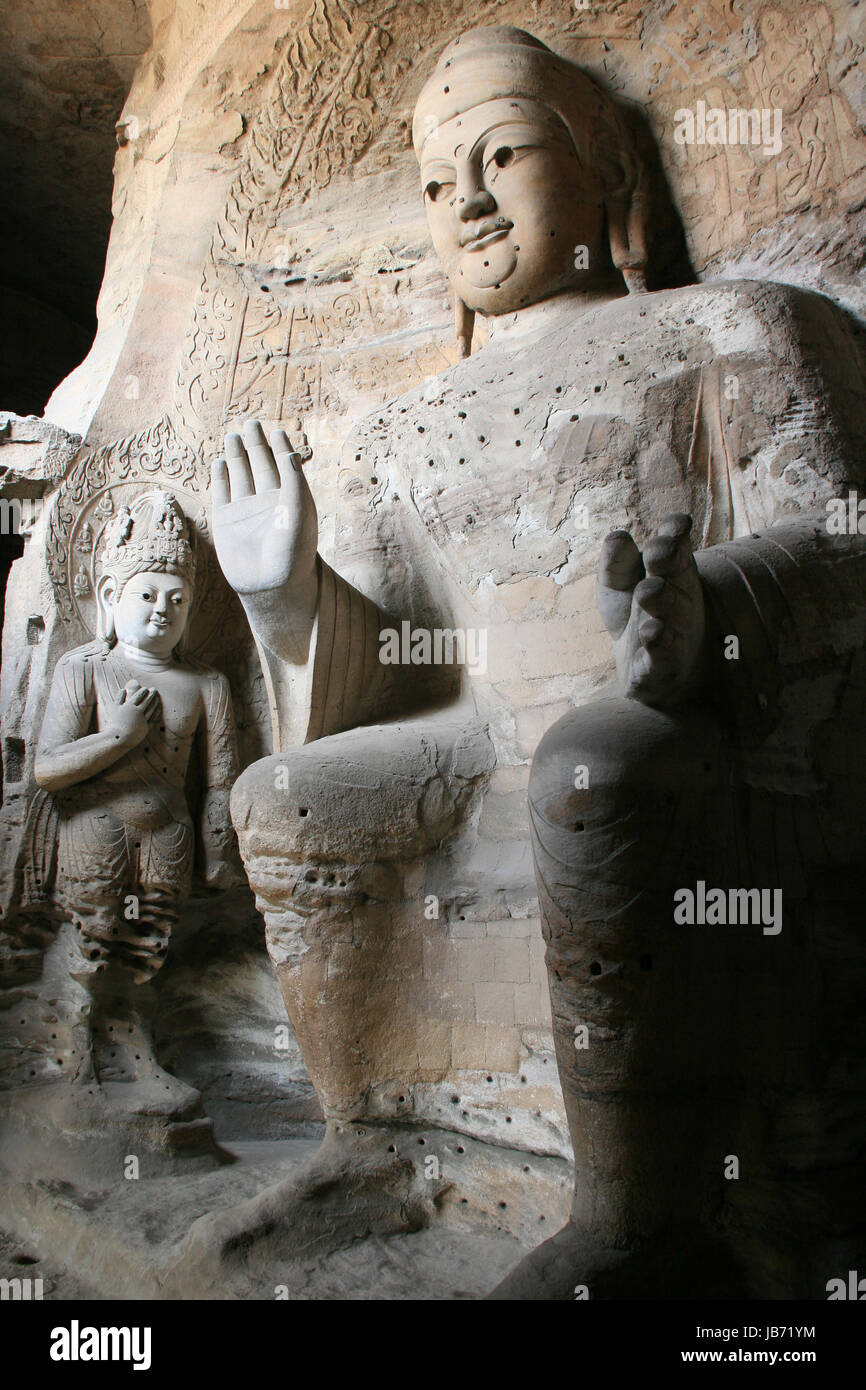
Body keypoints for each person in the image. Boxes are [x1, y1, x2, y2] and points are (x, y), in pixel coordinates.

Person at [29, 489, 239, 1115]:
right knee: (93, 943)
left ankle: (136, 1056)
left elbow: (222, 779)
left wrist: (218, 848)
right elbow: (47, 770)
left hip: (167, 832)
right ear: (107, 599)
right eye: (146, 594)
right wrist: (118, 735)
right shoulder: (85, 669)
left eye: (178, 600)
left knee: (145, 948)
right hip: (97, 827)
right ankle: (74, 1060)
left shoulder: (207, 683)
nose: (162, 611)